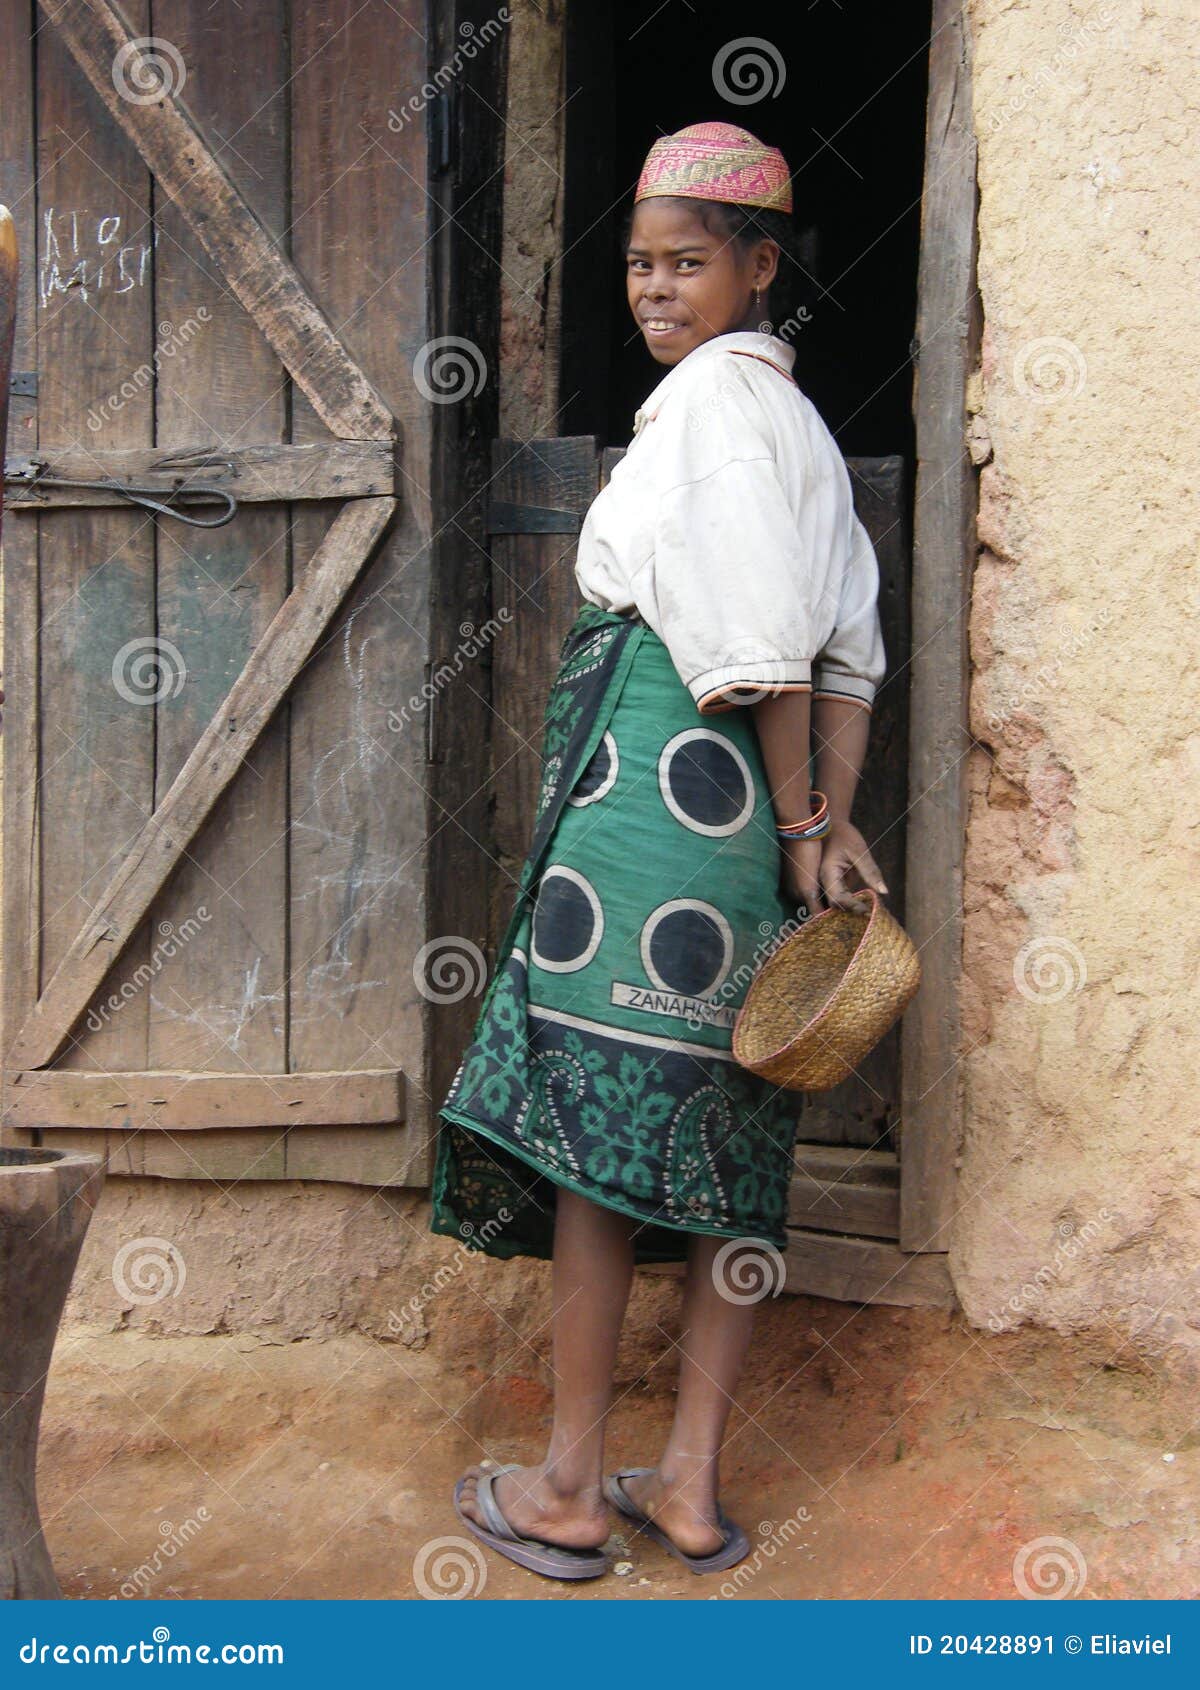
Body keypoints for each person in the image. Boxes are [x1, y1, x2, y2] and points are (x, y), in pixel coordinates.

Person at [431, 121, 888, 1580]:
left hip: (656, 820)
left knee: (596, 1145)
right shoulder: (802, 433)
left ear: (761, 268)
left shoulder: (706, 410)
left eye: (690, 262)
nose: (655, 289)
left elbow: (757, 654)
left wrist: (807, 821)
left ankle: (570, 1486)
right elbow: (851, 660)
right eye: (638, 264)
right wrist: (820, 822)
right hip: (741, 826)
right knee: (727, 1140)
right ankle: (683, 1485)